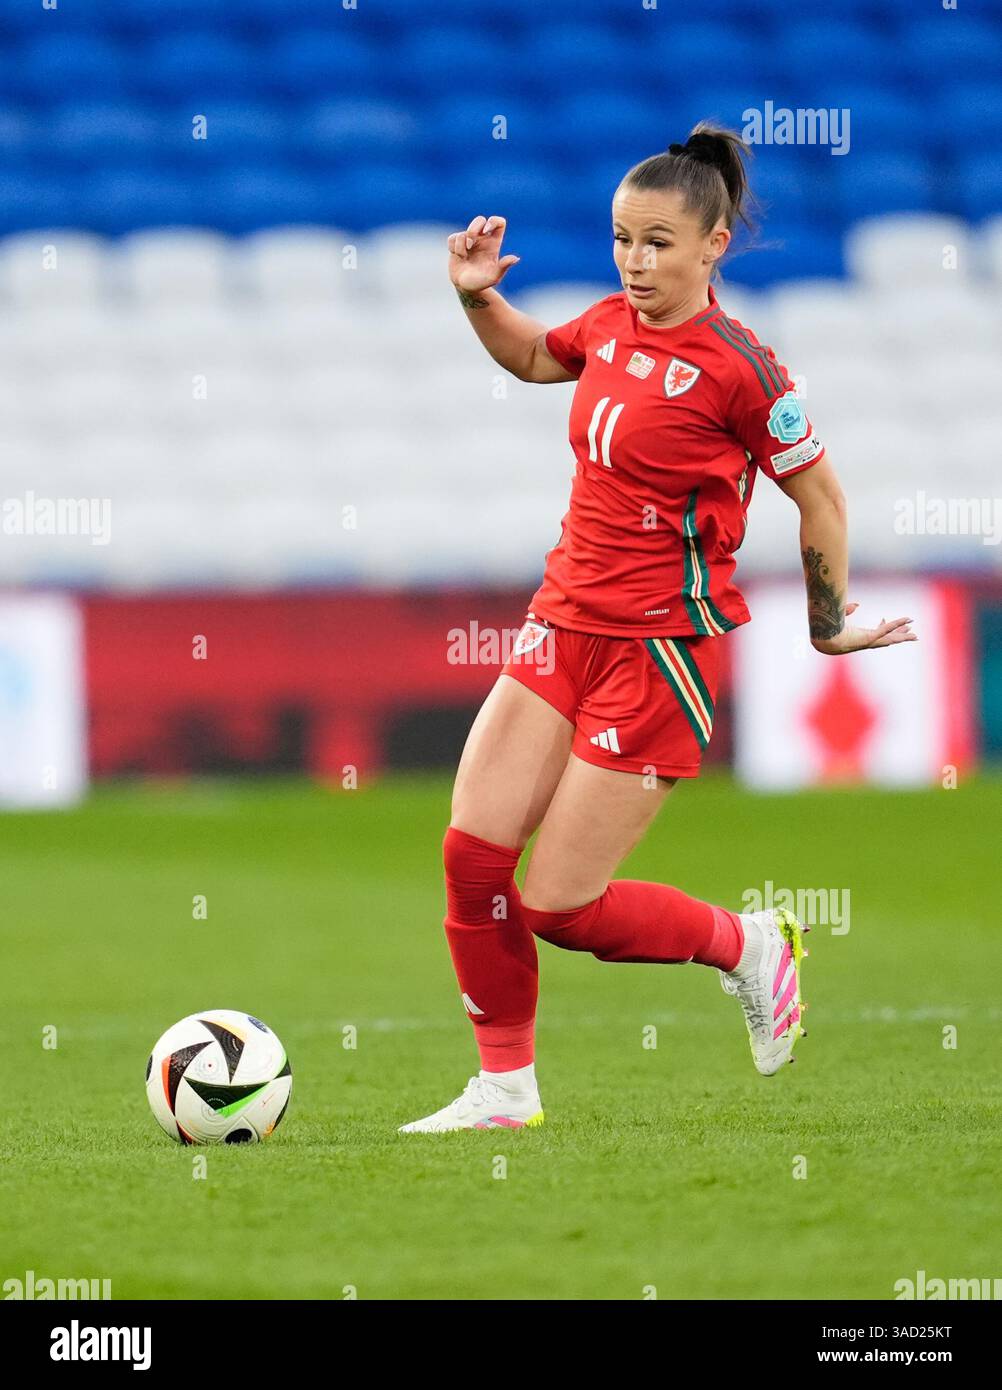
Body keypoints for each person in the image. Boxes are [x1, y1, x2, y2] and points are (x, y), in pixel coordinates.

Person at [398, 123, 916, 1133]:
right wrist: (476, 297)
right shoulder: (606, 325)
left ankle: (749, 944)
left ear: (715, 243)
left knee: (556, 905)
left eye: (658, 244)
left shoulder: (743, 369)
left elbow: (822, 500)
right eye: (622, 240)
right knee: (471, 855)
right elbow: (535, 360)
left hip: (659, 654)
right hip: (560, 626)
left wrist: (826, 623)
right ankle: (504, 1089)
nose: (635, 263)